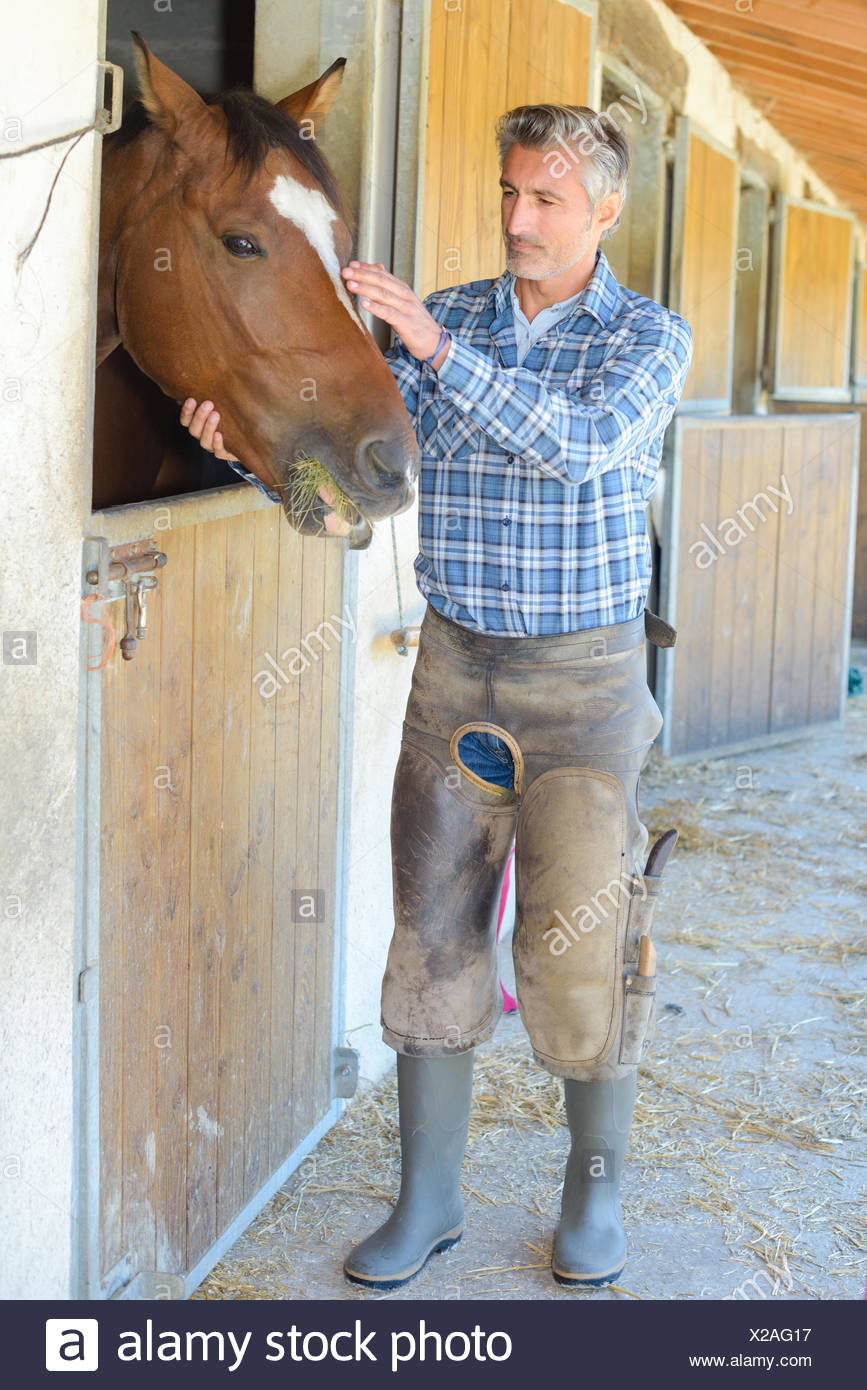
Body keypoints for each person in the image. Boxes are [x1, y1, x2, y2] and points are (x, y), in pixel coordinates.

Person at [181, 103, 693, 1291]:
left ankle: (593, 1199)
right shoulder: (436, 319)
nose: (518, 218)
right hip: (457, 671)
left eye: (547, 200)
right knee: (432, 943)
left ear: (605, 210)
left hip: (588, 682)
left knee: (580, 949)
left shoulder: (646, 338)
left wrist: (437, 355)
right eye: (510, 193)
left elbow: (580, 444)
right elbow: (347, 505)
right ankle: (430, 1200)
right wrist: (249, 460)